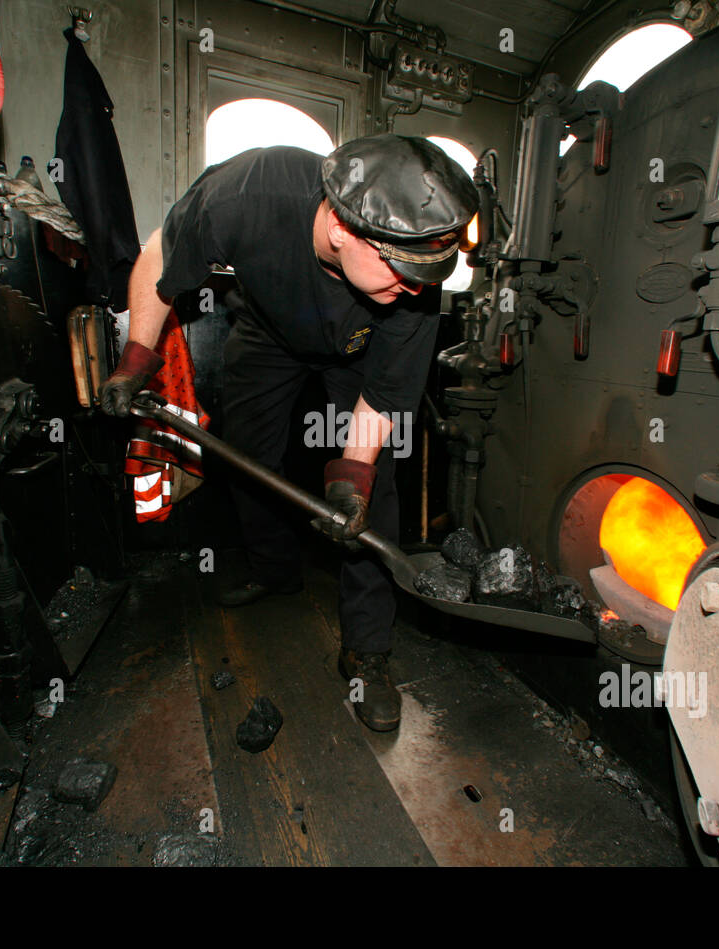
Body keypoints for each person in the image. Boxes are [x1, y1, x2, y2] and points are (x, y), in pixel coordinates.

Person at [98, 133, 478, 731]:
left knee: (373, 491)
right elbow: (160, 256)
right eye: (401, 271)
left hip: (358, 352)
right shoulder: (248, 193)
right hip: (269, 333)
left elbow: (379, 402)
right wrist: (137, 357)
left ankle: (366, 651)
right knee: (248, 455)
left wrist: (351, 478)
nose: (416, 288)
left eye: (426, 275)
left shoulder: (412, 299)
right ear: (340, 229)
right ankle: (273, 569)